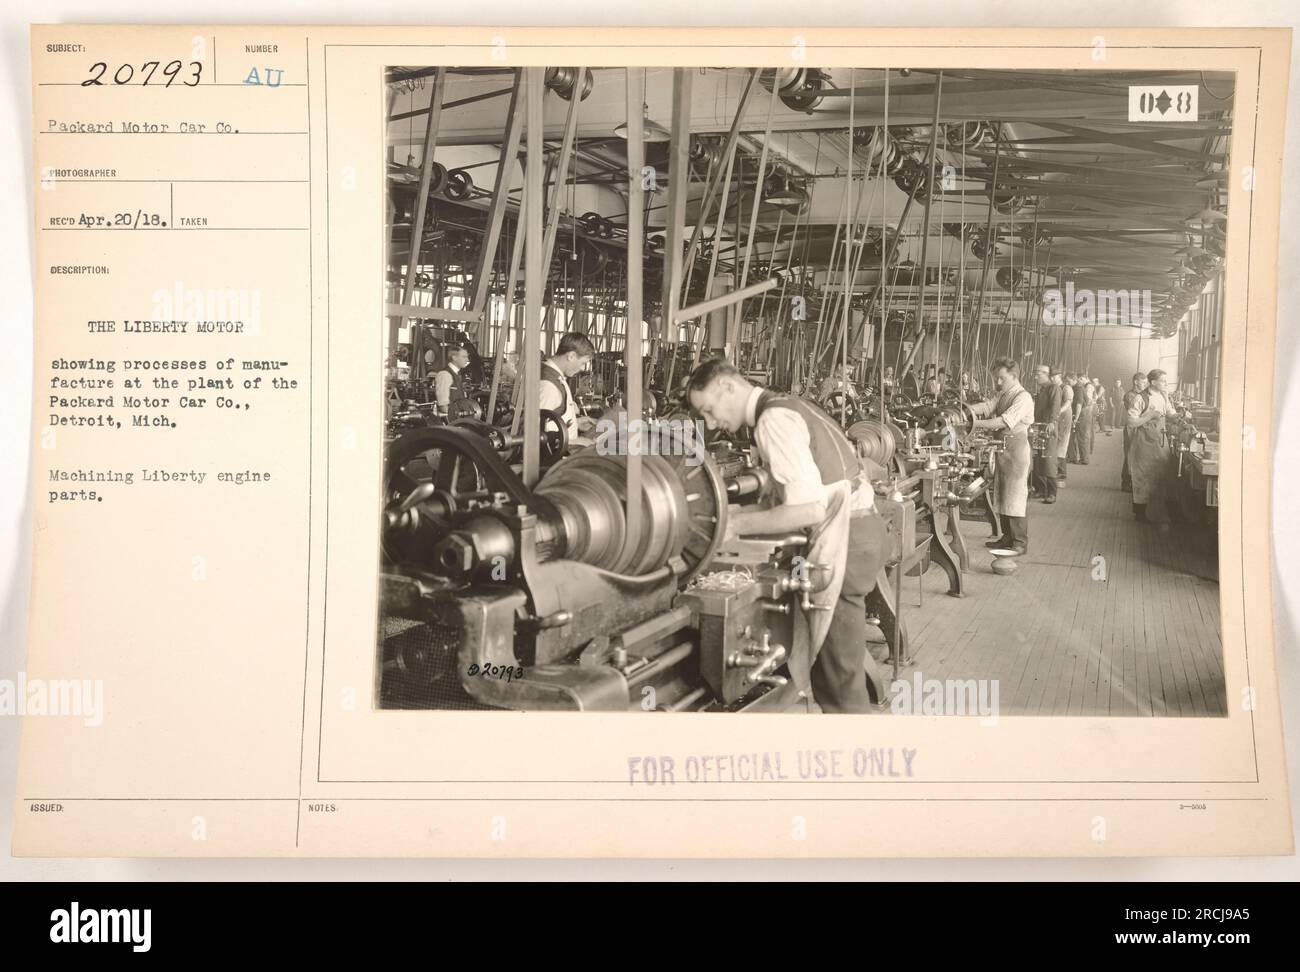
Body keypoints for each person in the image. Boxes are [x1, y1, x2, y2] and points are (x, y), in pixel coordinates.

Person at [686, 358, 890, 713]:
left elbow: (809, 510)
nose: (709, 422)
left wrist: (734, 525)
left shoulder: (773, 420)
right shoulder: (791, 404)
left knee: (838, 682)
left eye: (708, 409)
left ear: (727, 387)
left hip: (844, 543)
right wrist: (747, 512)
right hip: (860, 532)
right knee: (839, 672)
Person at [971, 357, 1036, 556]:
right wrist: (966, 410)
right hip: (1002, 449)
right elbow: (987, 406)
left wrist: (974, 424)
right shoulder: (1004, 393)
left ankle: (1019, 542)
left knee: (1015, 496)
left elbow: (1003, 421)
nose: (997, 383)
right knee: (1003, 493)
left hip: (1016, 450)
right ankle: (1007, 537)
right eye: (996, 378)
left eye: (1001, 378)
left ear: (1014, 376)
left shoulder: (1022, 397)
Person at [1126, 369, 1176, 521]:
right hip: (1144, 441)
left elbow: (1169, 413)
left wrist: (1178, 416)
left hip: (1160, 439)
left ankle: (1163, 512)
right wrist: (1149, 416)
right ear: (1153, 382)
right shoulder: (1140, 398)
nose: (1166, 384)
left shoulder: (1163, 395)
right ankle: (1140, 513)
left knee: (1164, 473)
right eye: (1163, 381)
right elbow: (1131, 422)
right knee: (1142, 474)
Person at [538, 332, 595, 441]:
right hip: (555, 456)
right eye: (583, 363)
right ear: (571, 356)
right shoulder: (549, 385)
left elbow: (549, 422)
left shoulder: (552, 374)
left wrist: (575, 423)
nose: (583, 368)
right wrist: (575, 442)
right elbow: (537, 433)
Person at [1030, 364, 1062, 504]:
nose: (1036, 376)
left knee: (1048, 459)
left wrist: (1052, 422)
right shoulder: (1042, 389)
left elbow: (1055, 406)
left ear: (1046, 374)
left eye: (1038, 374)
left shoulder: (1053, 388)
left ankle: (1052, 493)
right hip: (1038, 427)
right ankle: (1040, 490)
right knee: (1038, 459)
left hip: (1048, 427)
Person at [1120, 372, 1149, 492]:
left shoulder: (1144, 395)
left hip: (1140, 427)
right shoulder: (1130, 395)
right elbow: (1136, 413)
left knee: (1138, 455)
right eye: (1143, 382)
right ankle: (1126, 482)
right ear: (1136, 382)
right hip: (1131, 428)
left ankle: (1134, 481)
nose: (1145, 385)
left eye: (1146, 382)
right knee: (1129, 455)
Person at [433, 344, 471, 417]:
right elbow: (443, 405)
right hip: (452, 420)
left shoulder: (457, 374)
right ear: (454, 358)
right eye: (464, 357)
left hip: (458, 417)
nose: (467, 360)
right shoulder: (445, 374)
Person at [1052, 369, 1072, 485]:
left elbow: (1068, 402)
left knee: (1061, 444)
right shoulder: (1054, 387)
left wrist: (1058, 411)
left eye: (1054, 377)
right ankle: (1058, 471)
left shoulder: (1066, 388)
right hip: (1058, 418)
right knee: (1057, 443)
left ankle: (1061, 473)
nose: (1052, 379)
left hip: (1064, 418)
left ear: (1059, 376)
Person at [1074, 377, 1095, 465]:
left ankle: (1084, 459)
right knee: (1085, 435)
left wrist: (1076, 418)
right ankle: (1085, 457)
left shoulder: (1083, 387)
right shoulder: (1083, 386)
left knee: (1083, 436)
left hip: (1084, 412)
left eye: (1081, 378)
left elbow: (1082, 403)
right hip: (1087, 411)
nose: (1079, 380)